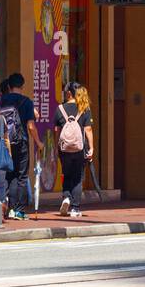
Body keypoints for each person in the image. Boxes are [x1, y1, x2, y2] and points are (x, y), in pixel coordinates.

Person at [0, 73, 43, 221]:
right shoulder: (26, 102)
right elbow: (31, 126)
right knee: (22, 176)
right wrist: (38, 142)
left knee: (10, 175)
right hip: (21, 141)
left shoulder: (1, 100)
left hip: (5, 142)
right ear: (22, 86)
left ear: (8, 86)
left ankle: (10, 207)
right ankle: (18, 210)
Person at [55, 82, 95, 218]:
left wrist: (57, 148)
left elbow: (57, 131)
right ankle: (75, 208)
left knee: (66, 174)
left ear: (68, 93)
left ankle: (66, 197)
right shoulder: (84, 108)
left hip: (64, 148)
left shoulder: (60, 109)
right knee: (77, 177)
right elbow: (88, 129)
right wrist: (91, 148)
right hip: (79, 148)